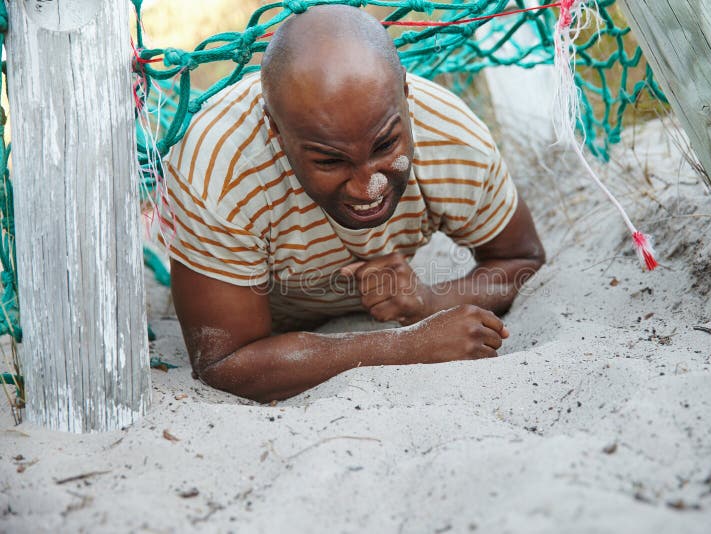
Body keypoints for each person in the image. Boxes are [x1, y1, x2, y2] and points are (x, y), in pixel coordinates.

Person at [161, 5, 545, 402]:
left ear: (406, 95)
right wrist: (407, 347)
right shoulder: (219, 169)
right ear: (274, 129)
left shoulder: (455, 140)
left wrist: (431, 300)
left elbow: (523, 262)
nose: (368, 187)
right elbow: (225, 361)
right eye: (330, 160)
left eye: (385, 145)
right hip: (264, 316)